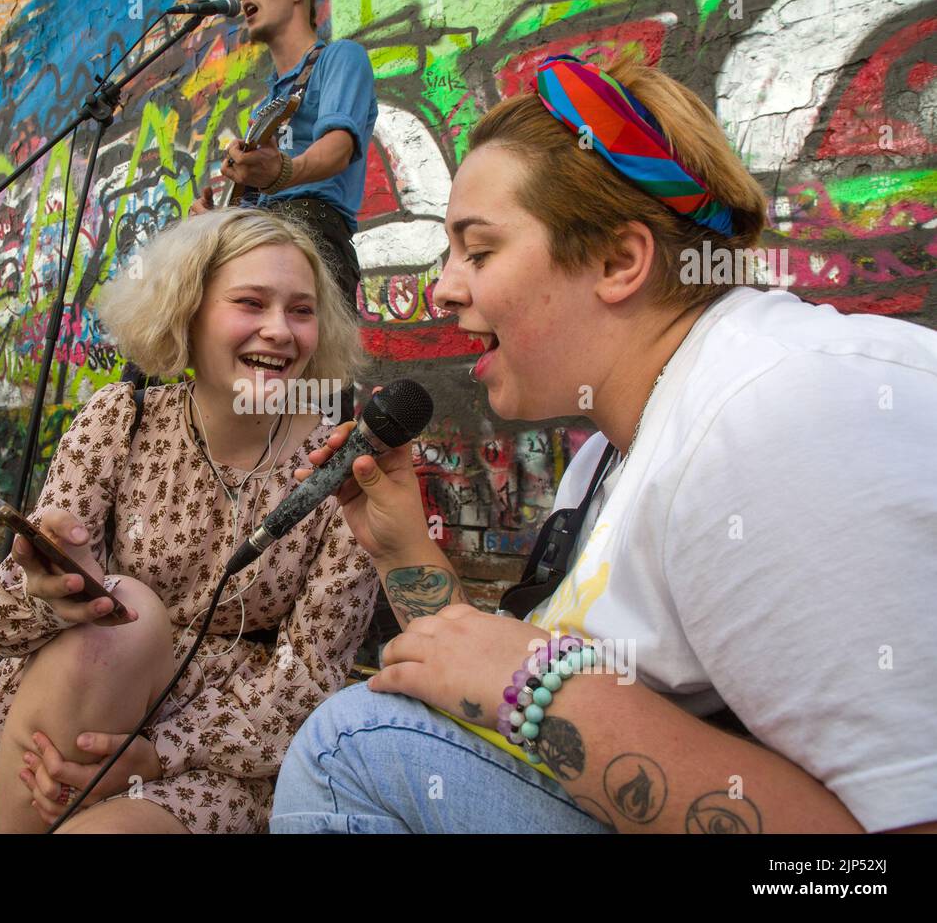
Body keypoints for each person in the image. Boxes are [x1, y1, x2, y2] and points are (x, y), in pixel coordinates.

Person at [269, 56, 937, 834]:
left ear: (620, 262)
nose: (444, 289)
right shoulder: (608, 458)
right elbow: (497, 720)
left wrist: (542, 679)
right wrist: (402, 552)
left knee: (355, 745)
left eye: (478, 251)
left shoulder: (775, 416)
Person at [0, 208, 378, 833]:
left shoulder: (342, 472)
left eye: (301, 311)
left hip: (229, 746)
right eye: (250, 302)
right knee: (126, 614)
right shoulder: (120, 420)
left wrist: (154, 754)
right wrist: (50, 594)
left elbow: (311, 685)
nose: (279, 331)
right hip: (88, 699)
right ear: (187, 311)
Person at [192, 0, 377, 306]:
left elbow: (337, 149)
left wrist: (281, 173)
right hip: (261, 241)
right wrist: (215, 223)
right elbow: (252, 203)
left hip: (314, 237)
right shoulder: (267, 104)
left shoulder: (340, 58)